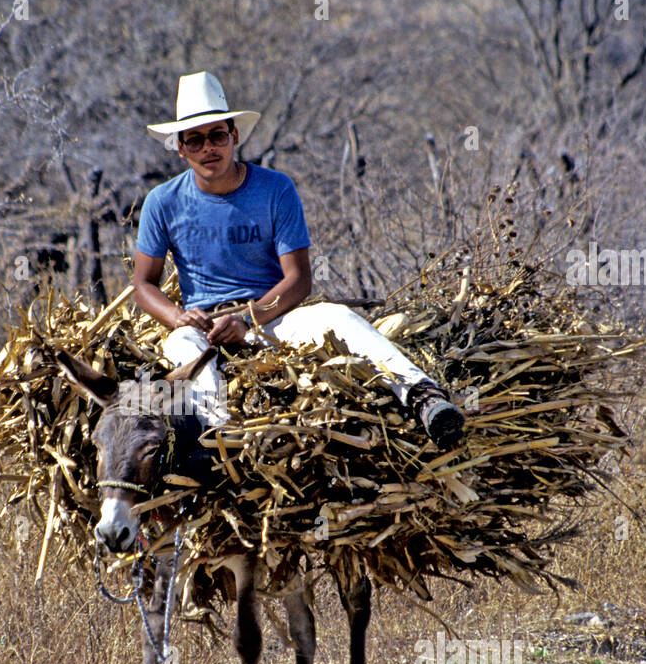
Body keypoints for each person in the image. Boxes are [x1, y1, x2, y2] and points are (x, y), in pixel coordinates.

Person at [130, 71, 465, 448]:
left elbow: (300, 279)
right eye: (195, 140)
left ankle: (424, 397)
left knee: (337, 318)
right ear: (180, 148)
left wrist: (246, 318)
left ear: (234, 136)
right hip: (202, 327)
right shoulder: (163, 201)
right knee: (185, 349)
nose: (209, 148)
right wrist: (179, 317)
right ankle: (220, 436)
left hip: (271, 318)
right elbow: (143, 284)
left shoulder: (275, 189)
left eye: (217, 136)